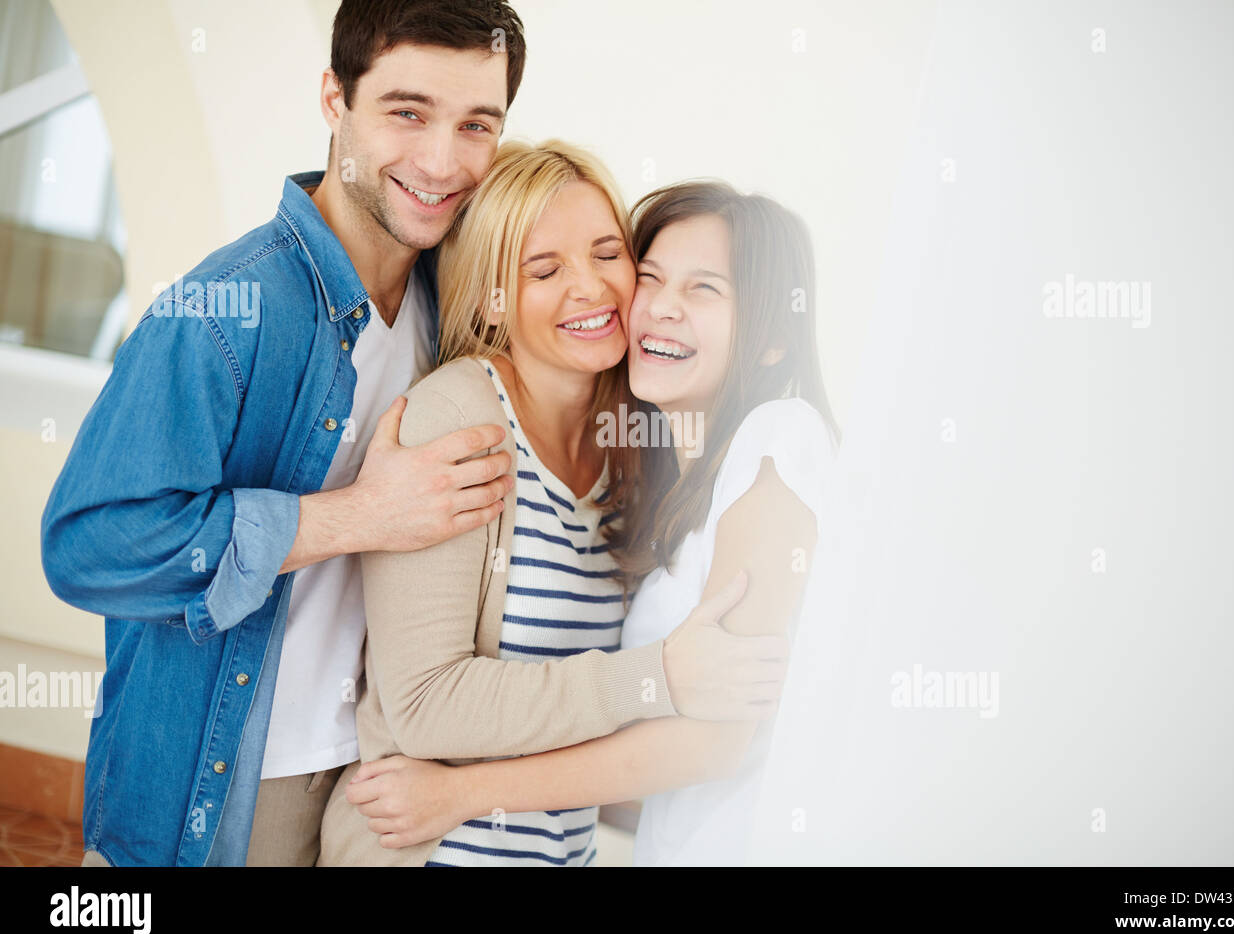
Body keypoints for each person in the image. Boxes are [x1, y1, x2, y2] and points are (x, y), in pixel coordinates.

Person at [38, 0, 527, 867]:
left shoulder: (452, 309)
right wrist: (356, 516)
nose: (443, 161)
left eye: (476, 124)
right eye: (407, 112)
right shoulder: (223, 311)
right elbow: (87, 545)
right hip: (217, 788)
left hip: (366, 788)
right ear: (335, 100)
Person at [318, 145, 794, 867]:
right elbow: (425, 707)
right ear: (489, 297)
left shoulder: (634, 446)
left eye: (608, 254)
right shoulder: (457, 421)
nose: (591, 288)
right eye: (544, 271)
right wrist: (656, 677)